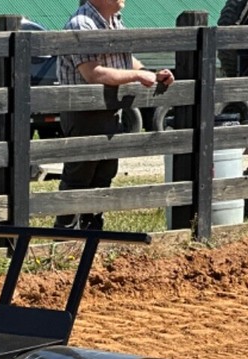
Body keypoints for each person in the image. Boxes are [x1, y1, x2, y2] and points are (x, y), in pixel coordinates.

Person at [54, 0, 174, 230]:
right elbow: (93, 73)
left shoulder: (114, 22)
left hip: (110, 110)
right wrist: (136, 77)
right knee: (79, 176)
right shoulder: (82, 24)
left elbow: (126, 60)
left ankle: (91, 233)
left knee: (104, 174)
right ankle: (64, 237)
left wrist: (150, 73)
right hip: (84, 111)